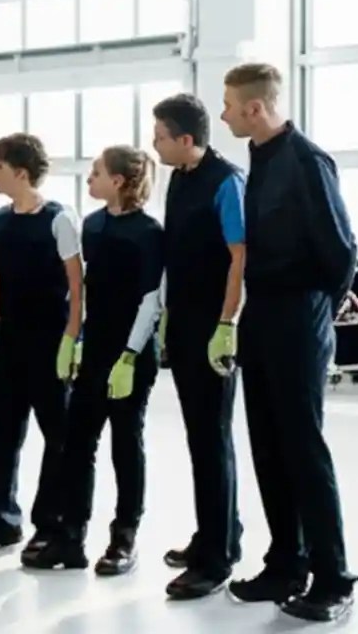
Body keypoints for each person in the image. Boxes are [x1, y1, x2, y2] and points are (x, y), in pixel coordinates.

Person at [220, 62, 358, 622]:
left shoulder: (306, 160)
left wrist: (328, 302)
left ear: (255, 108)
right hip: (264, 313)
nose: (224, 113)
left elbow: (340, 245)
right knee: (268, 445)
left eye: (229, 104)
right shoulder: (259, 160)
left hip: (300, 314)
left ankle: (333, 577)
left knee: (303, 447)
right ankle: (286, 564)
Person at [26, 145, 163, 577]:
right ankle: (71, 537)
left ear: (118, 181)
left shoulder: (150, 232)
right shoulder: (93, 224)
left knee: (126, 443)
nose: (90, 179)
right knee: (77, 443)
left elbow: (151, 299)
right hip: (96, 348)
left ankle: (124, 537)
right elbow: (86, 288)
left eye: (96, 173)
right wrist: (77, 337)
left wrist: (129, 355)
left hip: (130, 354)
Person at [0, 133, 82, 556]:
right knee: (0, 433)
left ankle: (51, 522)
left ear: (21, 172)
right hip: (11, 340)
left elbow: (76, 280)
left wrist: (73, 338)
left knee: (58, 436)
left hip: (50, 340)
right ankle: (1, 520)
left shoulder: (59, 218)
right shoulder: (1, 218)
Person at [150, 93, 246, 599]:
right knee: (199, 438)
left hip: (213, 328)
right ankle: (218, 532)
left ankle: (216, 559)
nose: (154, 144)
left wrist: (226, 324)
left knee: (211, 439)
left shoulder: (226, 181)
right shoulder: (180, 179)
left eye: (160, 136)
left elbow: (239, 256)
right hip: (184, 322)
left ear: (186, 140)